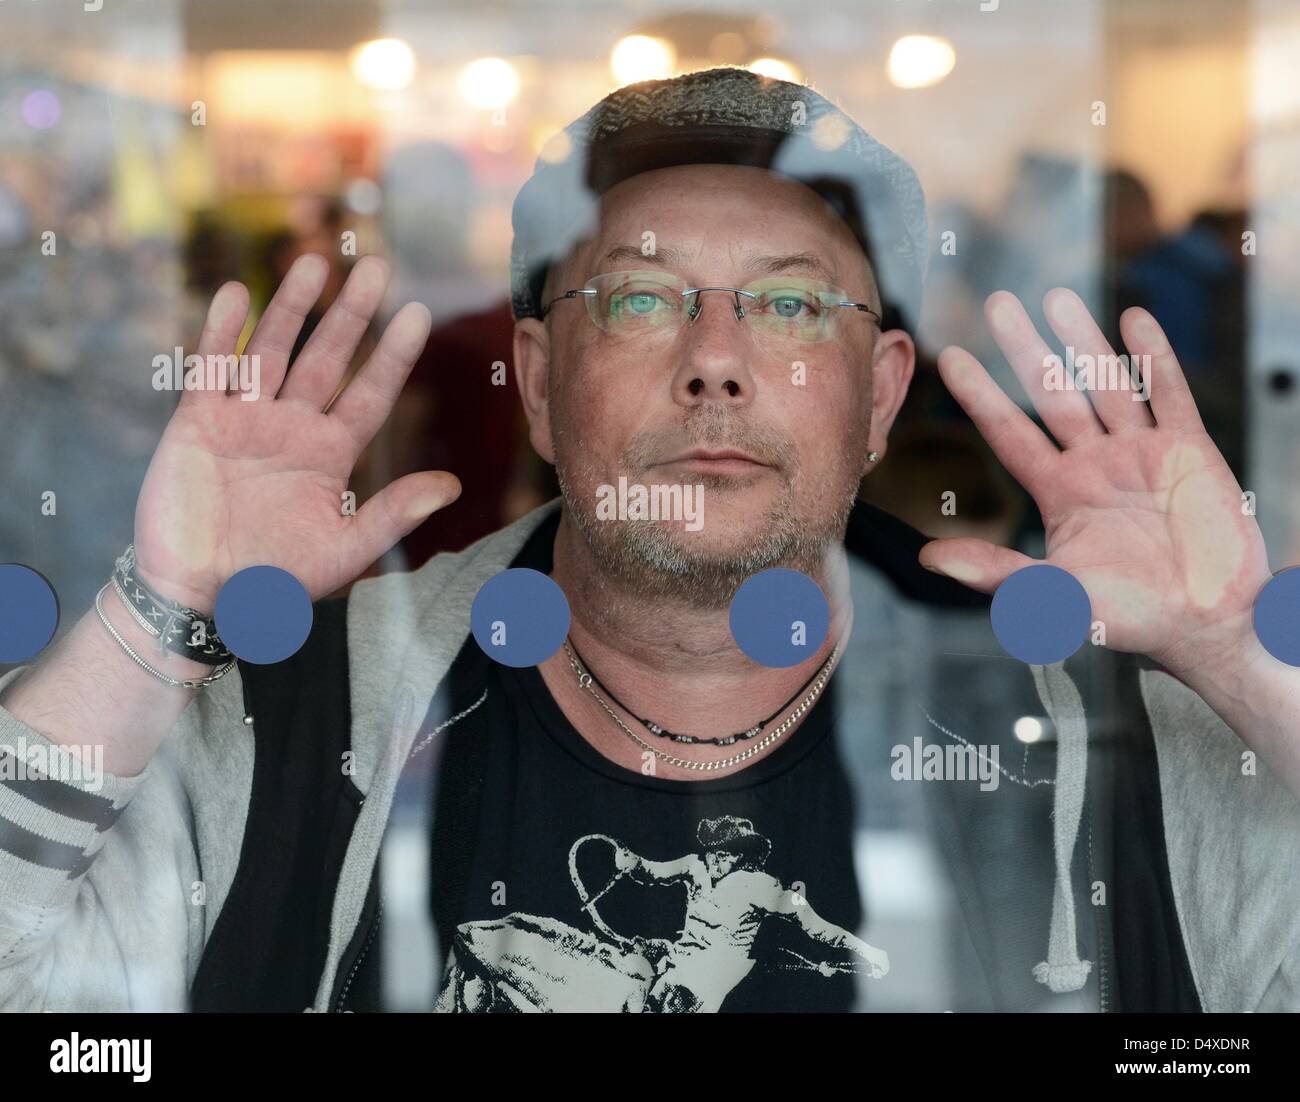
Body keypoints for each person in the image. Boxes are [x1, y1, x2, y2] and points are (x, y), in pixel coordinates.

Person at [0, 68, 1296, 1014]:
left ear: (884, 394)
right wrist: (154, 610)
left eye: (790, 303)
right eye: (639, 298)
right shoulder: (296, 717)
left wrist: (1238, 664)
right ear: (544, 386)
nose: (717, 362)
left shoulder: (1106, 739)